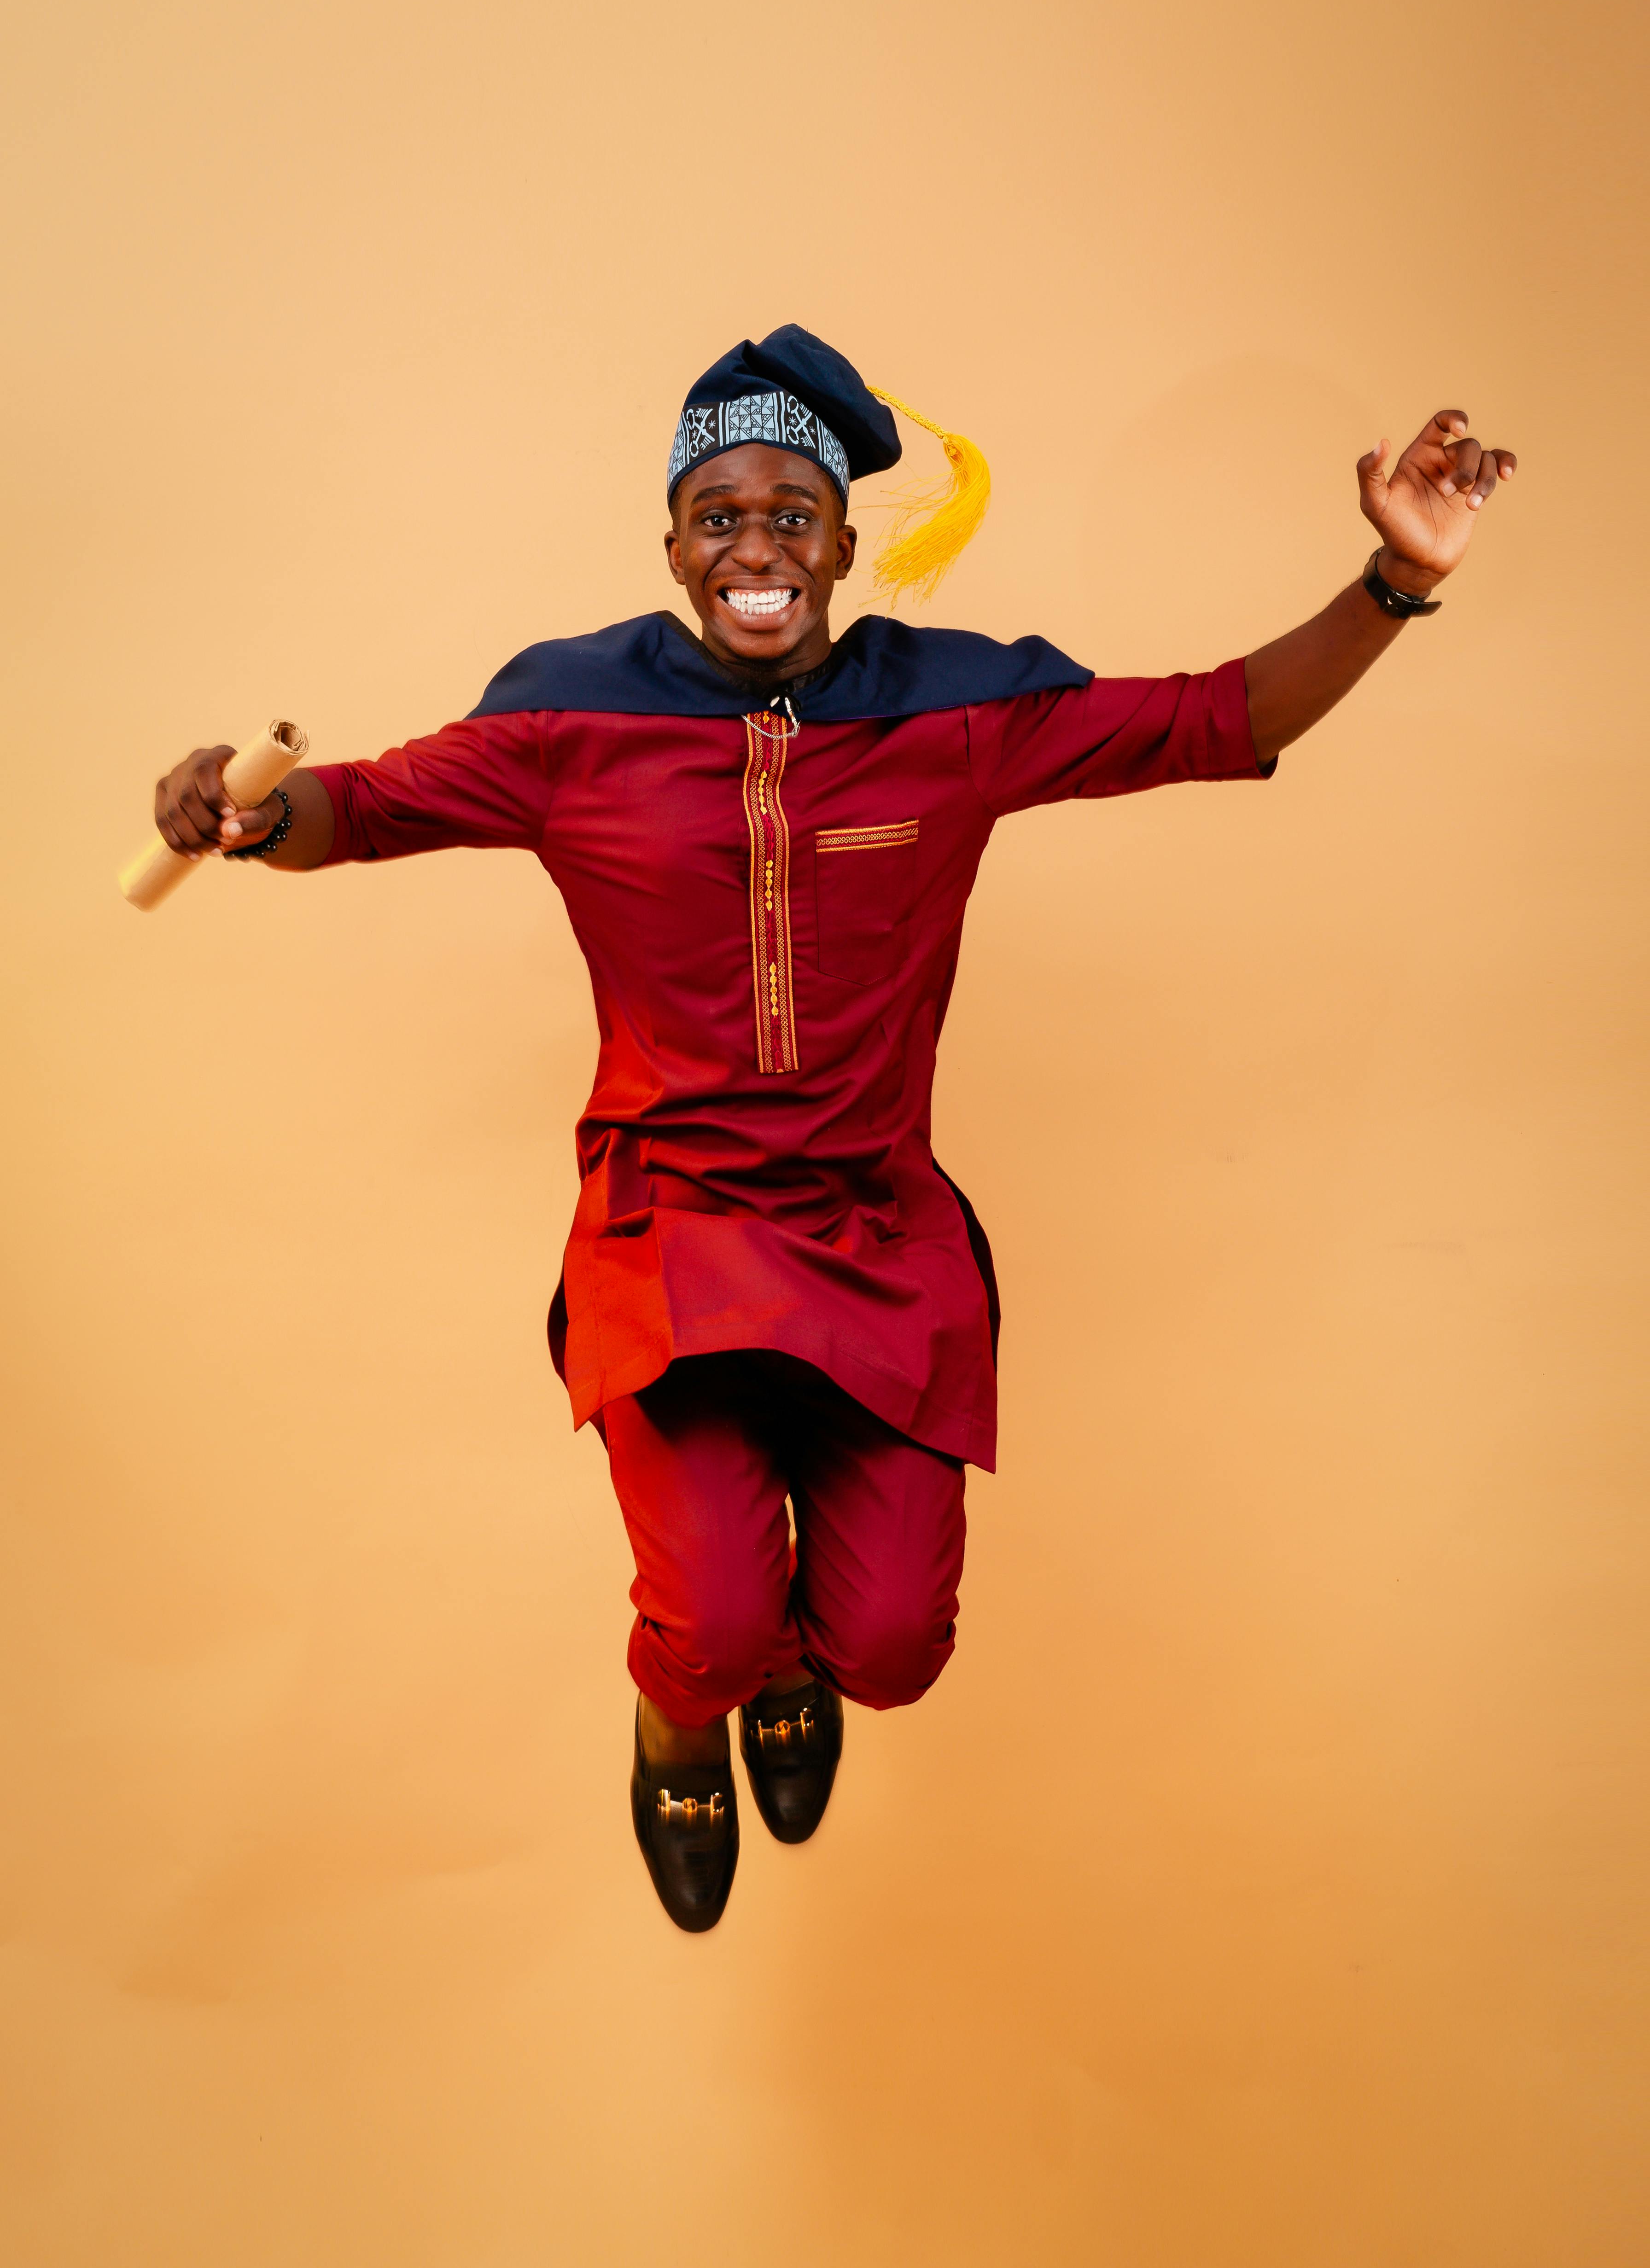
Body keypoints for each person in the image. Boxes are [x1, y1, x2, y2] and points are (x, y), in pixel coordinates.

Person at [151, 326, 1516, 1931]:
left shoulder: (956, 713)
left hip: (876, 1231)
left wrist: (1394, 583)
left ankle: (791, 1666)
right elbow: (359, 808)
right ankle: (686, 1719)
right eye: (719, 514)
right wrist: (243, 813)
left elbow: (1211, 719)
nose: (756, 547)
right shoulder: (572, 719)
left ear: (846, 546)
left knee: (892, 1652)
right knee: (712, 1622)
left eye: (791, 514)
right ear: (671, 546)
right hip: (670, 1230)